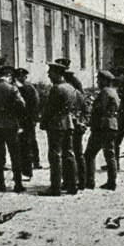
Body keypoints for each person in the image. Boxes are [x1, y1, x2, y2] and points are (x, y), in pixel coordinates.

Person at [39, 62, 78, 196]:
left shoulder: (57, 89)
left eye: (51, 73)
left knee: (55, 156)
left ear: (57, 74)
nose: (49, 75)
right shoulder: (71, 88)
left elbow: (50, 109)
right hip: (68, 123)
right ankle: (72, 185)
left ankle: (55, 187)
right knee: (69, 154)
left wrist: (43, 122)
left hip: (56, 124)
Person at [85, 70, 120, 190]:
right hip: (113, 125)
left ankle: (89, 182)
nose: (97, 82)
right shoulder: (114, 92)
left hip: (102, 127)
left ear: (105, 81)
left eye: (99, 80)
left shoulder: (105, 92)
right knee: (110, 155)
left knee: (89, 154)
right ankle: (112, 182)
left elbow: (100, 110)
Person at [56, 58, 88, 190]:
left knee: (68, 153)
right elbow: (86, 109)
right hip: (76, 124)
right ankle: (80, 181)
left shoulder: (64, 90)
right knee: (77, 153)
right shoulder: (79, 93)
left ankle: (70, 181)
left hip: (69, 124)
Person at [14, 67, 42, 177]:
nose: (21, 78)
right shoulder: (14, 88)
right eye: (19, 76)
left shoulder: (31, 88)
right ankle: (24, 166)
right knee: (21, 143)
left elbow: (35, 104)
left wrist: (34, 118)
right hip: (19, 119)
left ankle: (36, 161)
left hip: (28, 119)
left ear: (26, 77)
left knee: (31, 141)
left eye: (23, 76)